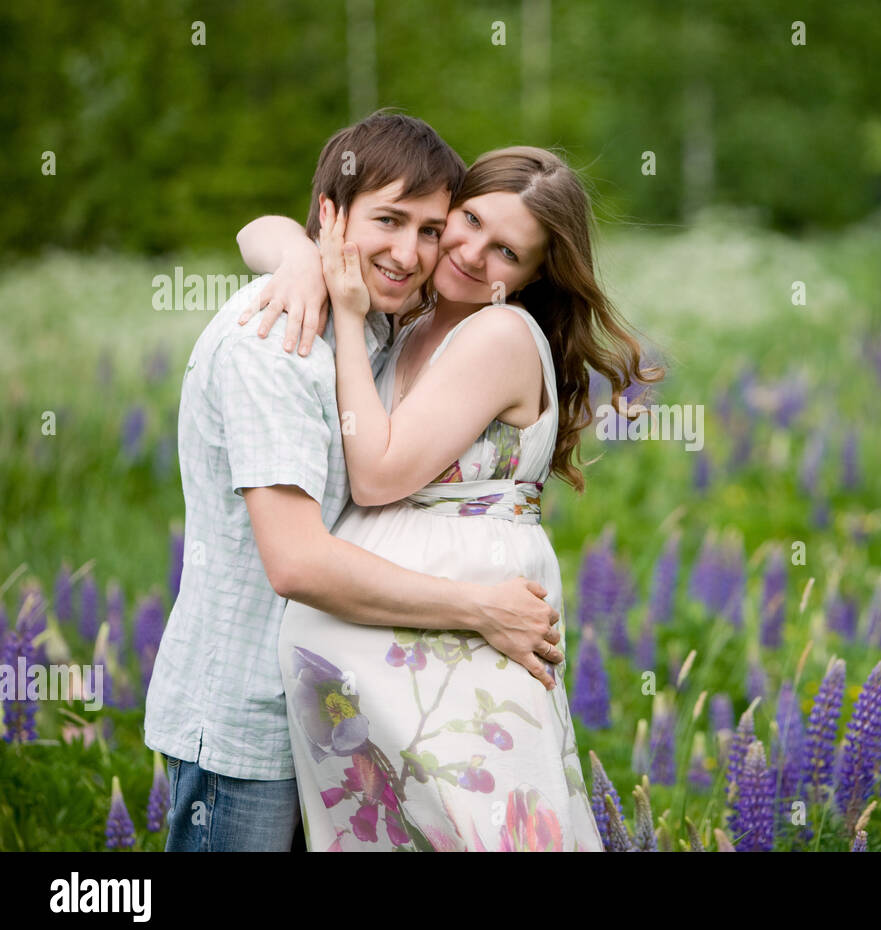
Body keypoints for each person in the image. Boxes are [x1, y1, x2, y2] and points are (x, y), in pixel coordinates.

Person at [143, 112, 564, 853]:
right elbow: (299, 561)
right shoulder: (278, 339)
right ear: (332, 217)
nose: (414, 252)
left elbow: (265, 234)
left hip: (339, 726)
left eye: (429, 228)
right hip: (251, 730)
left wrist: (299, 254)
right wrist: (477, 608)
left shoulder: (378, 326)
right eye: (390, 221)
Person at [236, 144, 663, 850]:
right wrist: (301, 256)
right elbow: (255, 231)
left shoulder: (496, 332)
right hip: (385, 692)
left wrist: (343, 316)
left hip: (461, 661)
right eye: (465, 222)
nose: (470, 253)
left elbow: (377, 474)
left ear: (531, 276)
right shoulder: (415, 319)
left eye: (506, 252)